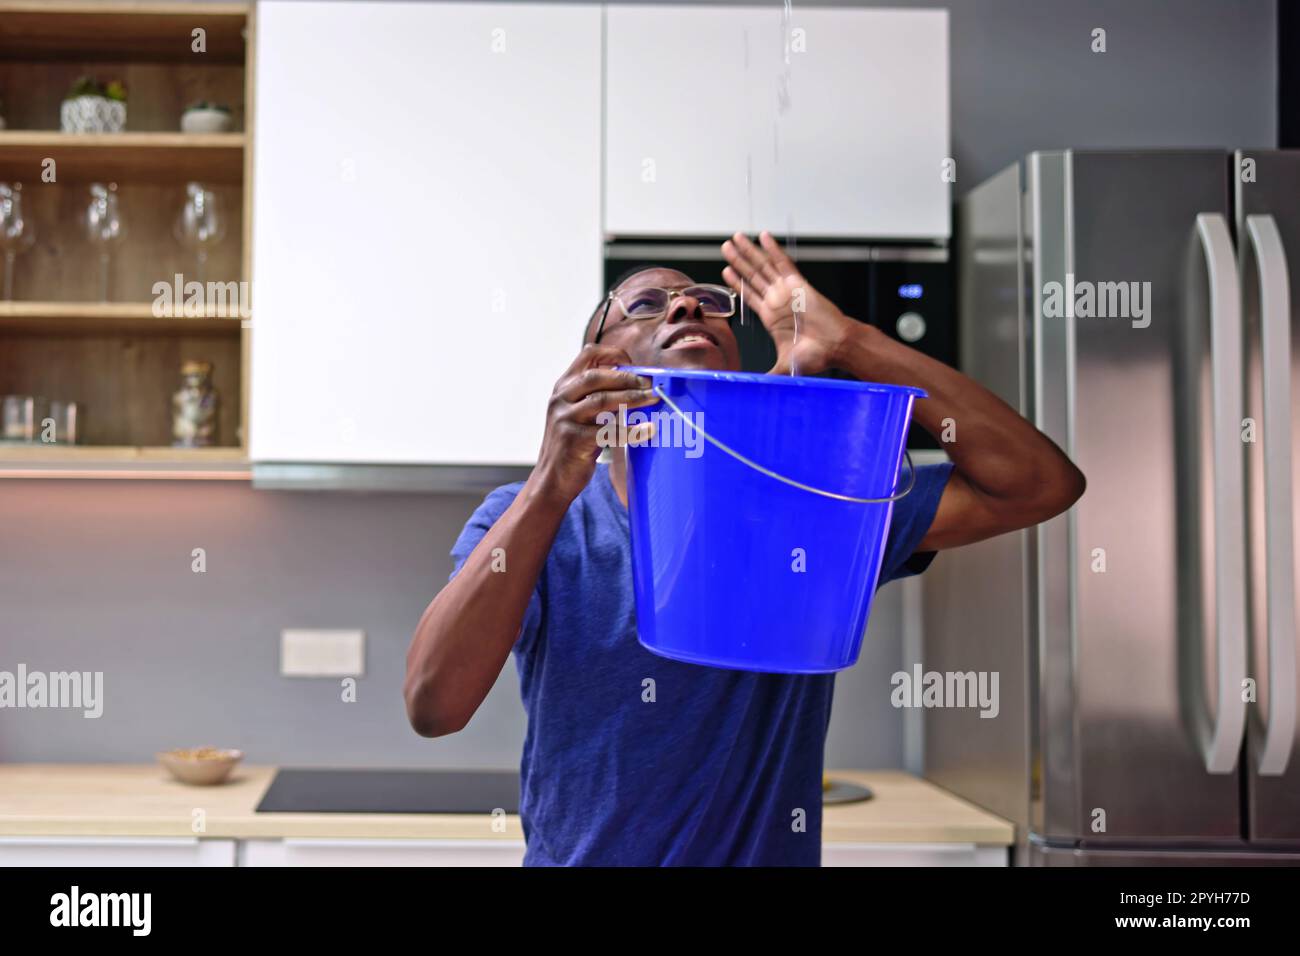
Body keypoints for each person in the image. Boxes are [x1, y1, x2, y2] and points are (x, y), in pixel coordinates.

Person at [404, 231, 1085, 866]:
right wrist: (549, 484)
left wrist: (851, 342)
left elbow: (1039, 484)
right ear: (596, 365)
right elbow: (434, 704)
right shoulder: (533, 525)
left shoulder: (815, 507)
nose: (686, 308)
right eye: (647, 303)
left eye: (708, 303)